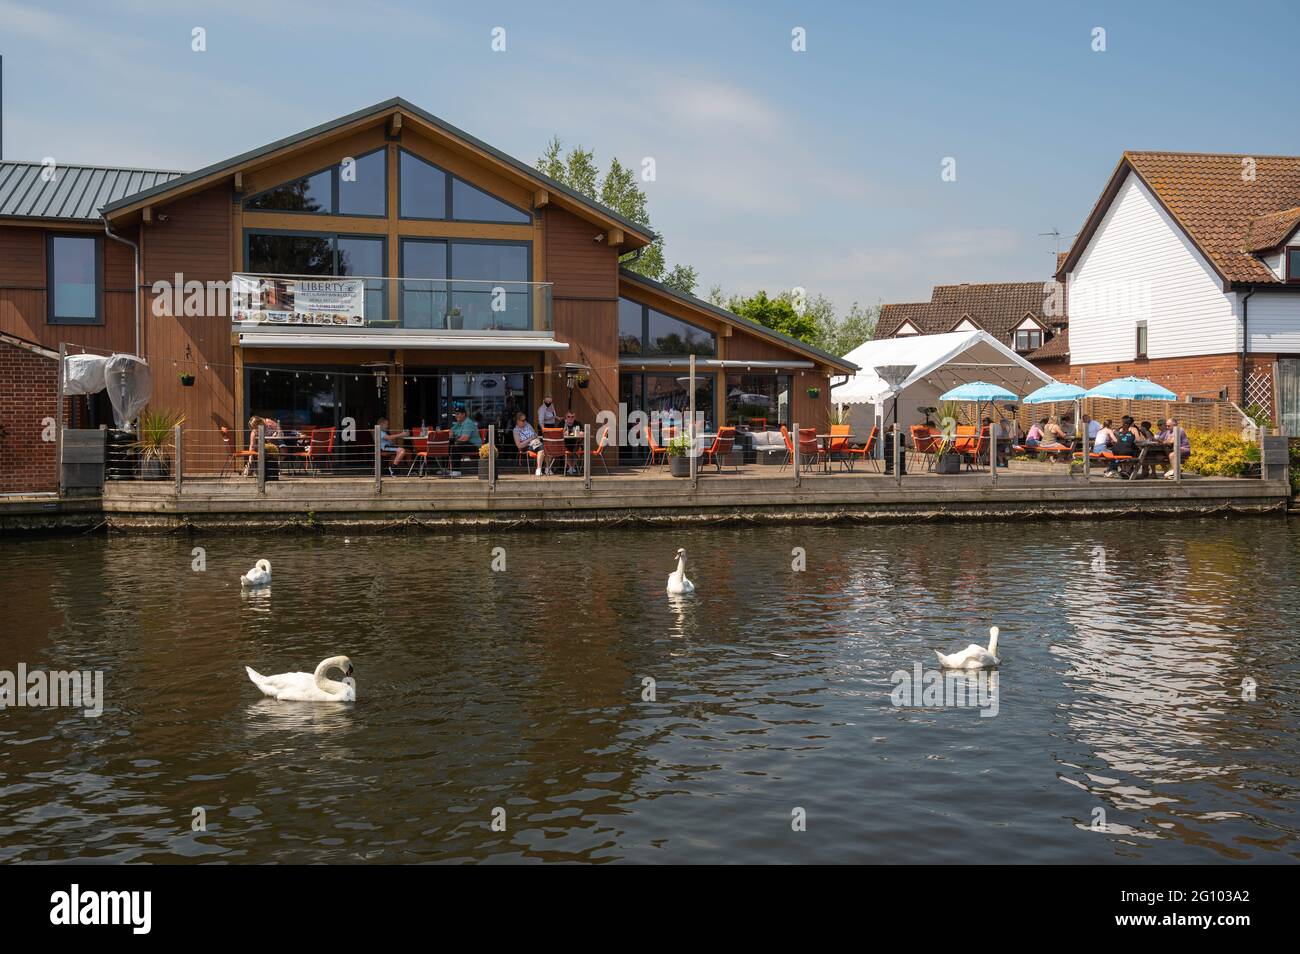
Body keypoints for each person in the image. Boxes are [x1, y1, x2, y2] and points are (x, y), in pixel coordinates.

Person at [512, 411, 546, 476]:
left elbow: (535, 434)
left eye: (525, 420)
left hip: (535, 443)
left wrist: (535, 439)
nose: (524, 421)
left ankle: (545, 468)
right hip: (526, 447)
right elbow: (519, 445)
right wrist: (530, 439)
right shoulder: (515, 431)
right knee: (542, 448)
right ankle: (539, 469)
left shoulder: (527, 424)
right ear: (518, 421)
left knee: (545, 448)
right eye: (523, 420)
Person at [561, 409, 583, 475]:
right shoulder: (562, 423)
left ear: (574, 417)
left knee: (578, 449)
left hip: (576, 444)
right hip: (565, 444)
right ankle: (572, 467)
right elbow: (557, 432)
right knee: (565, 450)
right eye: (569, 416)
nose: (570, 418)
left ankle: (571, 467)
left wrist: (582, 432)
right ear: (566, 417)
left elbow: (583, 432)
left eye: (572, 417)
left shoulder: (578, 423)